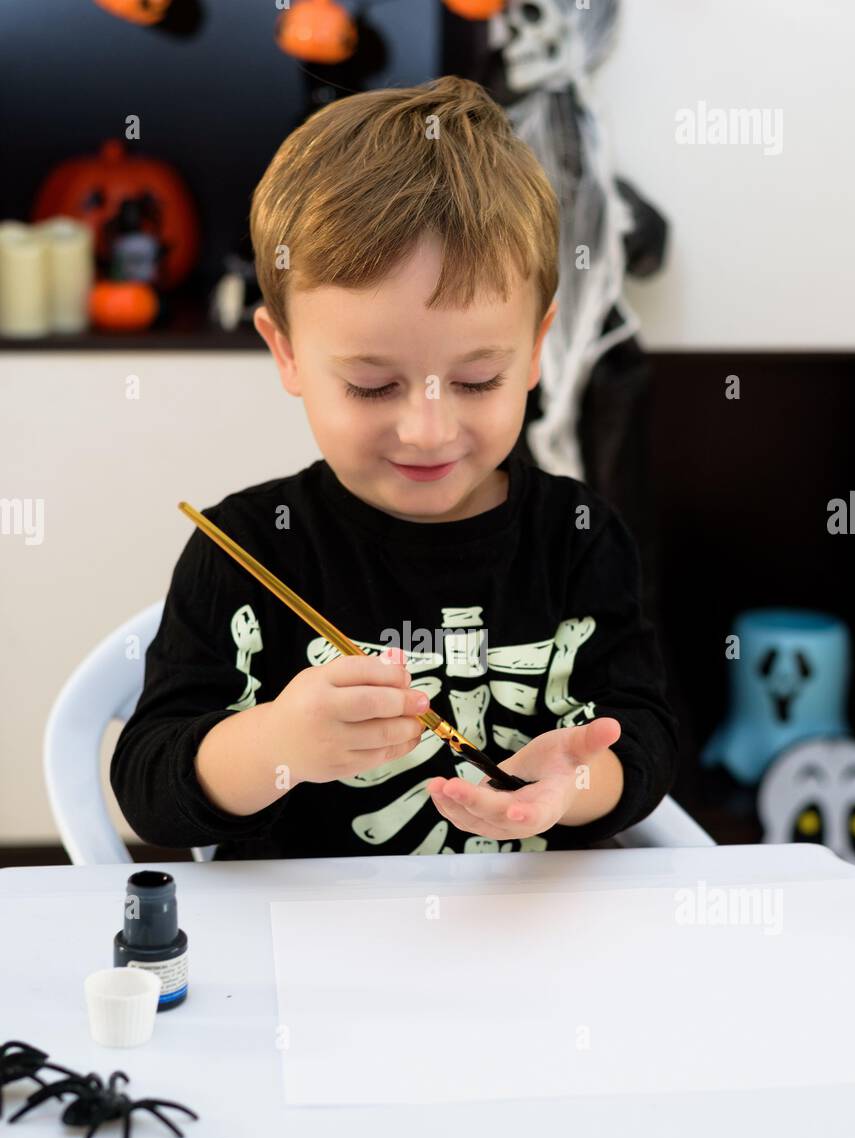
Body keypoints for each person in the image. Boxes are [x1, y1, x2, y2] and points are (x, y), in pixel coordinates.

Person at [110, 76, 678, 860]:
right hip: (303, 956)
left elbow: (645, 736)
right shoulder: (241, 549)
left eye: (478, 379)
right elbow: (148, 790)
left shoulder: (581, 538)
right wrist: (275, 744)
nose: (427, 429)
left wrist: (579, 785)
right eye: (373, 385)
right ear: (286, 352)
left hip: (538, 943)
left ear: (538, 346)